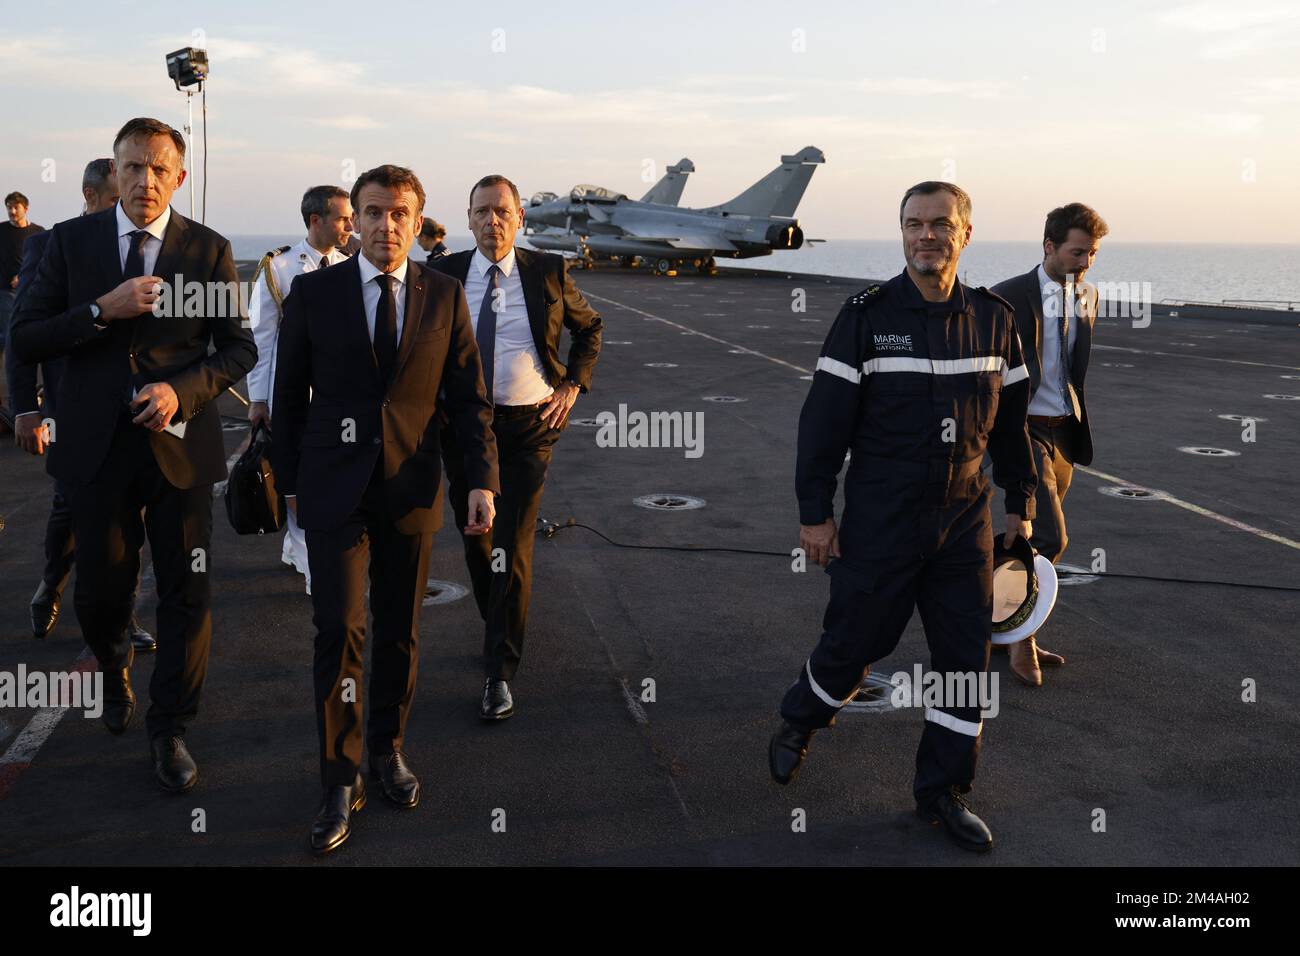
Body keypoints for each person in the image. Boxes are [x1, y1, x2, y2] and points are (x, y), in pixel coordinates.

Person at [768, 181, 1038, 853]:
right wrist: (814, 515)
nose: (926, 235)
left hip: (964, 523)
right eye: (914, 224)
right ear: (902, 233)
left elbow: (1012, 429)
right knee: (855, 643)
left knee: (962, 662)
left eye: (940, 224)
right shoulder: (865, 315)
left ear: (965, 234)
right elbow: (823, 425)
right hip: (882, 518)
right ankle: (800, 719)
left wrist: (1021, 506)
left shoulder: (997, 319)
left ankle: (942, 791)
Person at [11, 117, 257, 793]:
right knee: (100, 592)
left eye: (158, 169)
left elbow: (238, 348)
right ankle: (113, 659)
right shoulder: (67, 244)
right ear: (113, 173)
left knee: (188, 593)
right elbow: (27, 336)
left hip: (179, 448)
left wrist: (181, 392)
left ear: (179, 177)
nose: (145, 180)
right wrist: (100, 311)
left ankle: (170, 726)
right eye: (132, 167)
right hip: (94, 450)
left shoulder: (208, 250)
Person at [271, 164, 500, 855]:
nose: (385, 226)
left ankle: (386, 750)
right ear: (354, 221)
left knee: (399, 631)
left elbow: (469, 399)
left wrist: (482, 481)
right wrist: (289, 486)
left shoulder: (446, 295)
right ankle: (339, 777)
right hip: (334, 491)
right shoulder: (314, 294)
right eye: (371, 213)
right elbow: (288, 400)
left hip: (412, 487)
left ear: (419, 220)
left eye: (400, 214)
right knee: (338, 629)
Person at [428, 174, 602, 720]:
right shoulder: (442, 274)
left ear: (519, 218)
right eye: (481, 211)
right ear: (469, 218)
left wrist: (573, 385)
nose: (492, 221)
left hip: (529, 426)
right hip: (462, 429)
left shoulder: (547, 271)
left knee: (513, 543)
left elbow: (590, 327)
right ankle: (498, 623)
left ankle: (499, 670)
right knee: (476, 538)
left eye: (502, 211)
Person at [8, 159, 154, 651]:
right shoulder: (51, 245)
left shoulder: (149, 248)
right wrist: (26, 409)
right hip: (73, 406)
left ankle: (122, 616)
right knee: (69, 507)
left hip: (132, 412)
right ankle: (52, 583)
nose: (127, 210)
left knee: (130, 518)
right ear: (90, 196)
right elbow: (22, 335)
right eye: (115, 201)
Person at [990, 203, 1108, 687]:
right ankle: (1021, 639)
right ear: (1049, 247)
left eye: (1093, 253)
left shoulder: (1089, 295)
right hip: (1024, 428)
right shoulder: (1006, 298)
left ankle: (990, 615)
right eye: (1078, 252)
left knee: (1025, 541)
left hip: (1064, 430)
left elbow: (1071, 369)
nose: (1086, 262)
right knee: (1049, 538)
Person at [245, 185, 353, 592]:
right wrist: (258, 397)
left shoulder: (354, 264)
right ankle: (311, 564)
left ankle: (298, 546)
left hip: (339, 394)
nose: (350, 226)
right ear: (315, 220)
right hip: (291, 393)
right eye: (343, 219)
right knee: (293, 474)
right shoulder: (279, 268)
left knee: (330, 473)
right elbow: (261, 335)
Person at [1, 190, 45, 430]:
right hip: (4, 293)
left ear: (25, 208)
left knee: (26, 339)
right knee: (12, 339)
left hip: (31, 292)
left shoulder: (38, 233)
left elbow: (46, 261)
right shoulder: (1, 231)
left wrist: (26, 276)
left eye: (15, 207)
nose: (11, 211)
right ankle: (18, 406)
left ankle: (35, 397)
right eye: (8, 206)